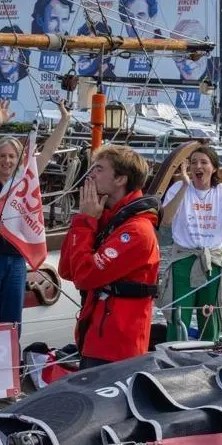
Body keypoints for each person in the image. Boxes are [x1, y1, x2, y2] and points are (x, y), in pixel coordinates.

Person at [0, 99, 71, 331]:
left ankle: (9, 364)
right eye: (2, 156)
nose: (7, 160)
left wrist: (64, 121)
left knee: (12, 323)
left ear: (19, 160)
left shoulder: (25, 183)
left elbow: (48, 152)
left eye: (12, 156)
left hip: (16, 261)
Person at [58, 145, 160, 369]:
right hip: (96, 337)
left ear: (120, 179)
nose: (91, 174)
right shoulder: (107, 219)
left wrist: (86, 222)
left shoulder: (136, 231)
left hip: (118, 346)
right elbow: (66, 269)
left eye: (99, 169)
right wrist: (85, 220)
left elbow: (84, 277)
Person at [158, 146, 222, 343]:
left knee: (211, 316)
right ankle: (173, 356)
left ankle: (210, 355)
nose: (198, 166)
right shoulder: (178, 189)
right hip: (183, 259)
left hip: (213, 261)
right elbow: (165, 220)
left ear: (213, 168)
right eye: (194, 162)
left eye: (204, 162)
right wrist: (185, 186)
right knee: (178, 315)